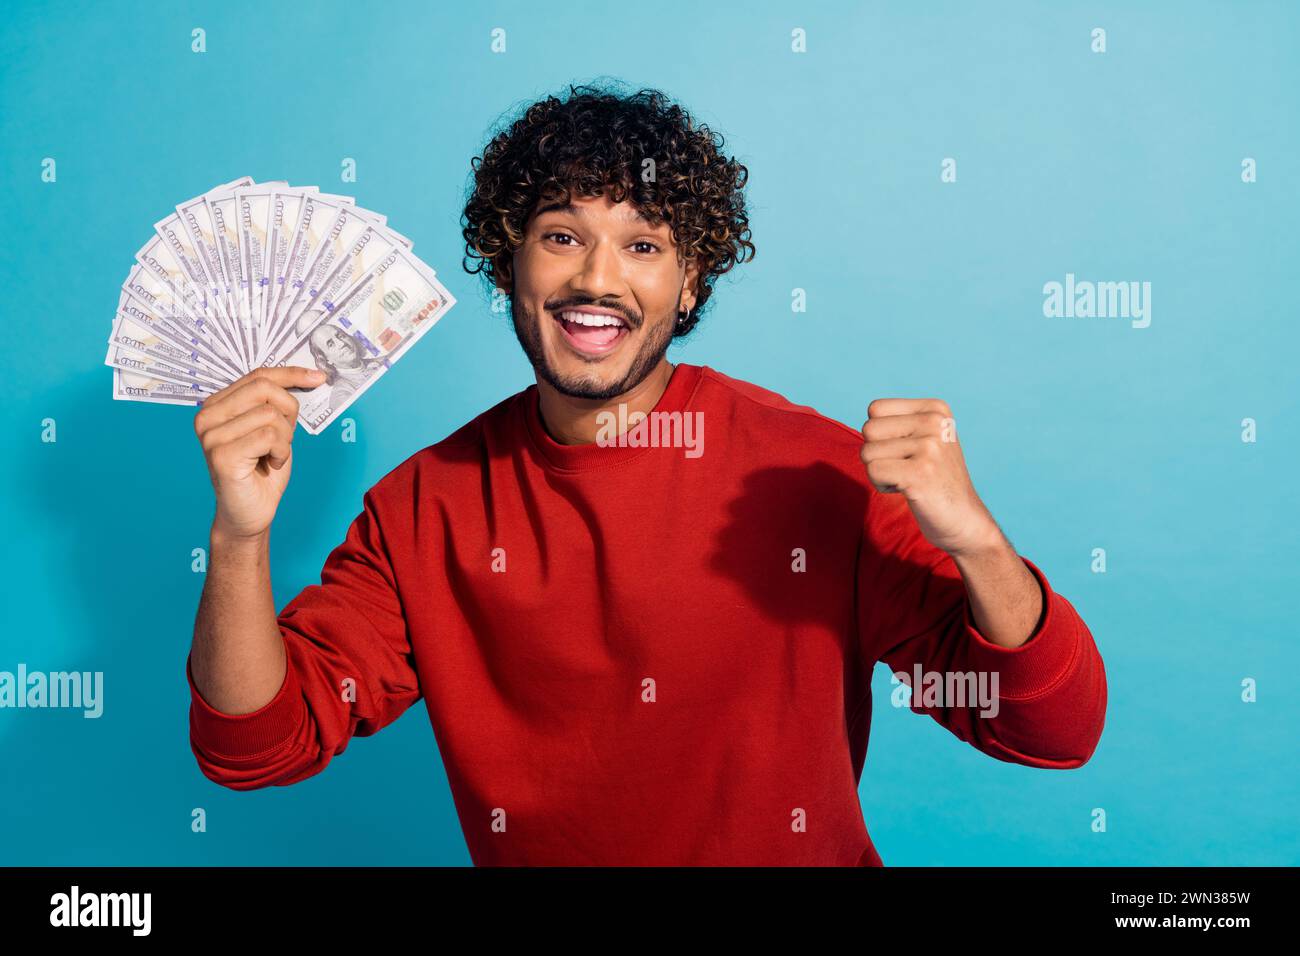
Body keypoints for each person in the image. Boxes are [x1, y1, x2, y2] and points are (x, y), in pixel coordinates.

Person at [186, 83, 1106, 866]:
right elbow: (254, 746)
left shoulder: (814, 471)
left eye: (643, 244)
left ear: (691, 280)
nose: (596, 278)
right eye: (559, 237)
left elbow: (1051, 733)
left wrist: (979, 544)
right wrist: (240, 535)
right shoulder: (423, 507)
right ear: (508, 264)